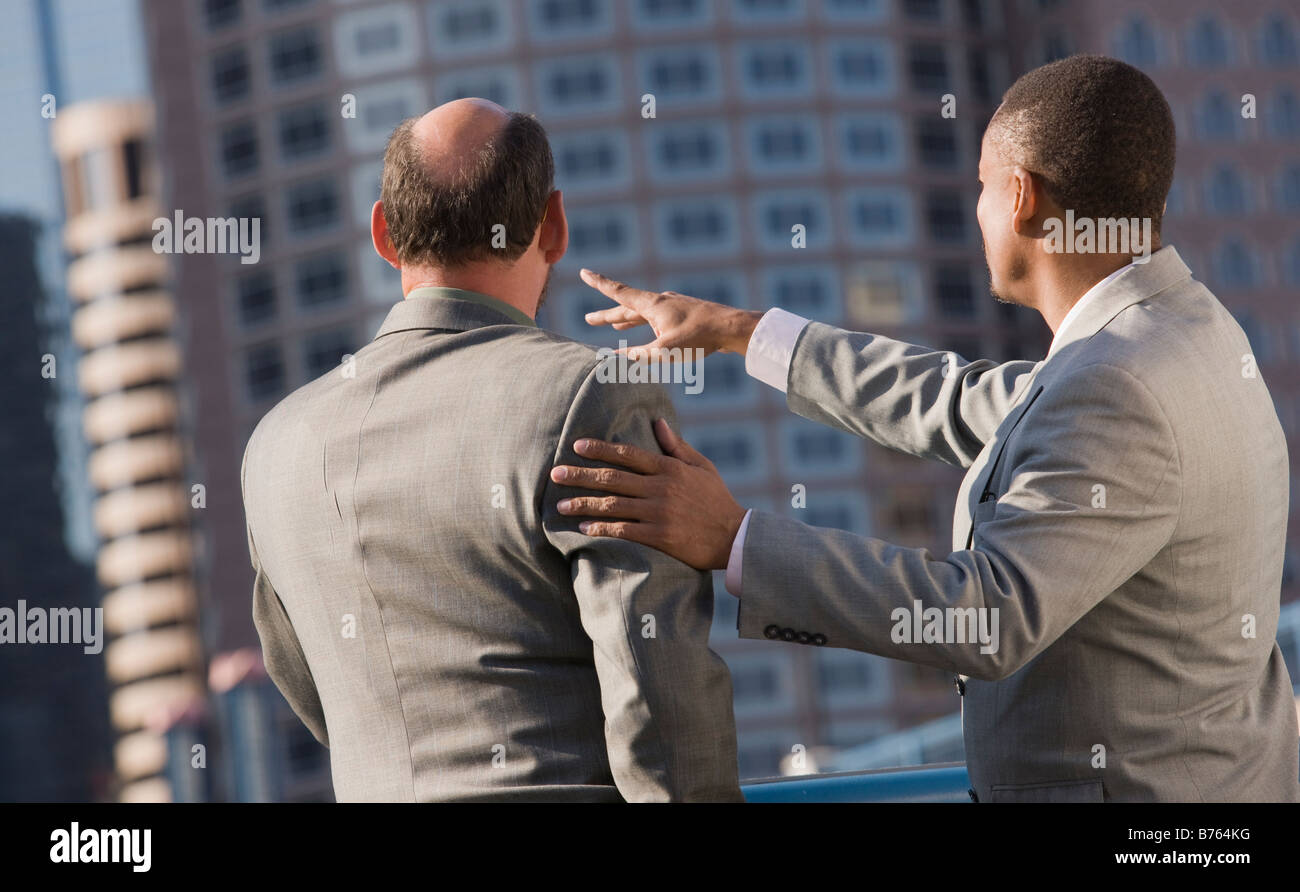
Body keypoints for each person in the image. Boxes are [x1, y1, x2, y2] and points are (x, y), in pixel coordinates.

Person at [552, 55, 1300, 802]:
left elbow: (987, 615)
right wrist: (740, 332)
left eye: (981, 184)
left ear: (1021, 198)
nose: (974, 207)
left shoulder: (1114, 384)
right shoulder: (1186, 329)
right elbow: (955, 398)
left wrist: (733, 539)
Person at [243, 98, 742, 802]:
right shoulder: (592, 395)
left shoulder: (274, 445)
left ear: (384, 233)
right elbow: (657, 684)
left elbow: (311, 690)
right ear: (556, 225)